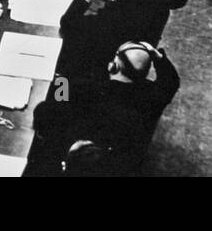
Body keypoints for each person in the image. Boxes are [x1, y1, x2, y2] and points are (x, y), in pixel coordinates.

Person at [35, 40, 180, 175]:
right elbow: (171, 82)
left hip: (76, 157)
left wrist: (62, 78)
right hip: (117, 161)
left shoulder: (87, 90)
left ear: (113, 66)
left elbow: (48, 109)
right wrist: (157, 56)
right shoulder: (151, 97)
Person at [56, 0, 188, 83]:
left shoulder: (106, 19)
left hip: (113, 67)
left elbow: (67, 23)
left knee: (67, 62)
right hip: (139, 59)